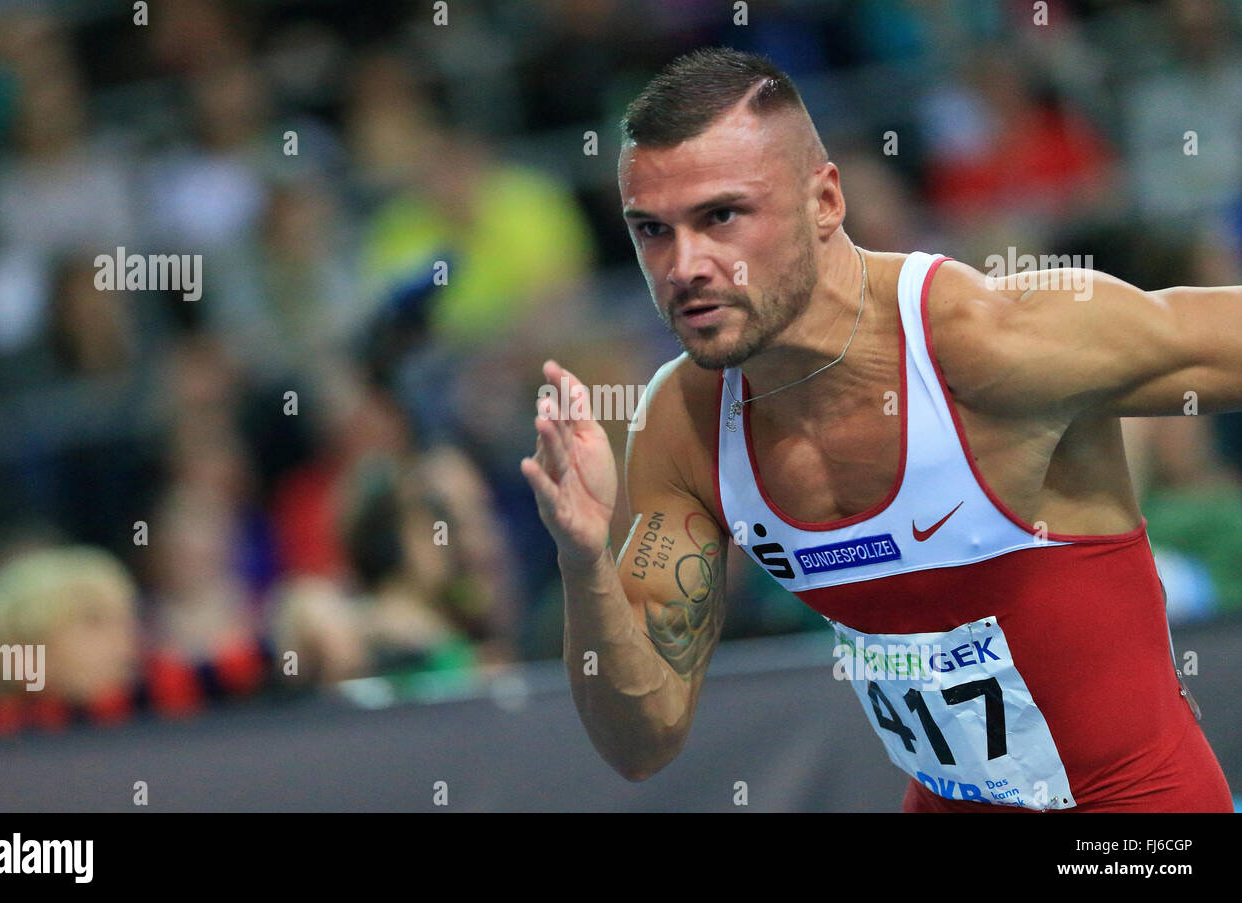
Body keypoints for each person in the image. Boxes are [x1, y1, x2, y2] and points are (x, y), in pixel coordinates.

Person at [520, 47, 1237, 812]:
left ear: (825, 200)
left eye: (721, 216)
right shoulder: (688, 421)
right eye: (651, 230)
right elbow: (641, 741)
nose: (684, 264)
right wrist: (585, 559)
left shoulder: (990, 344)